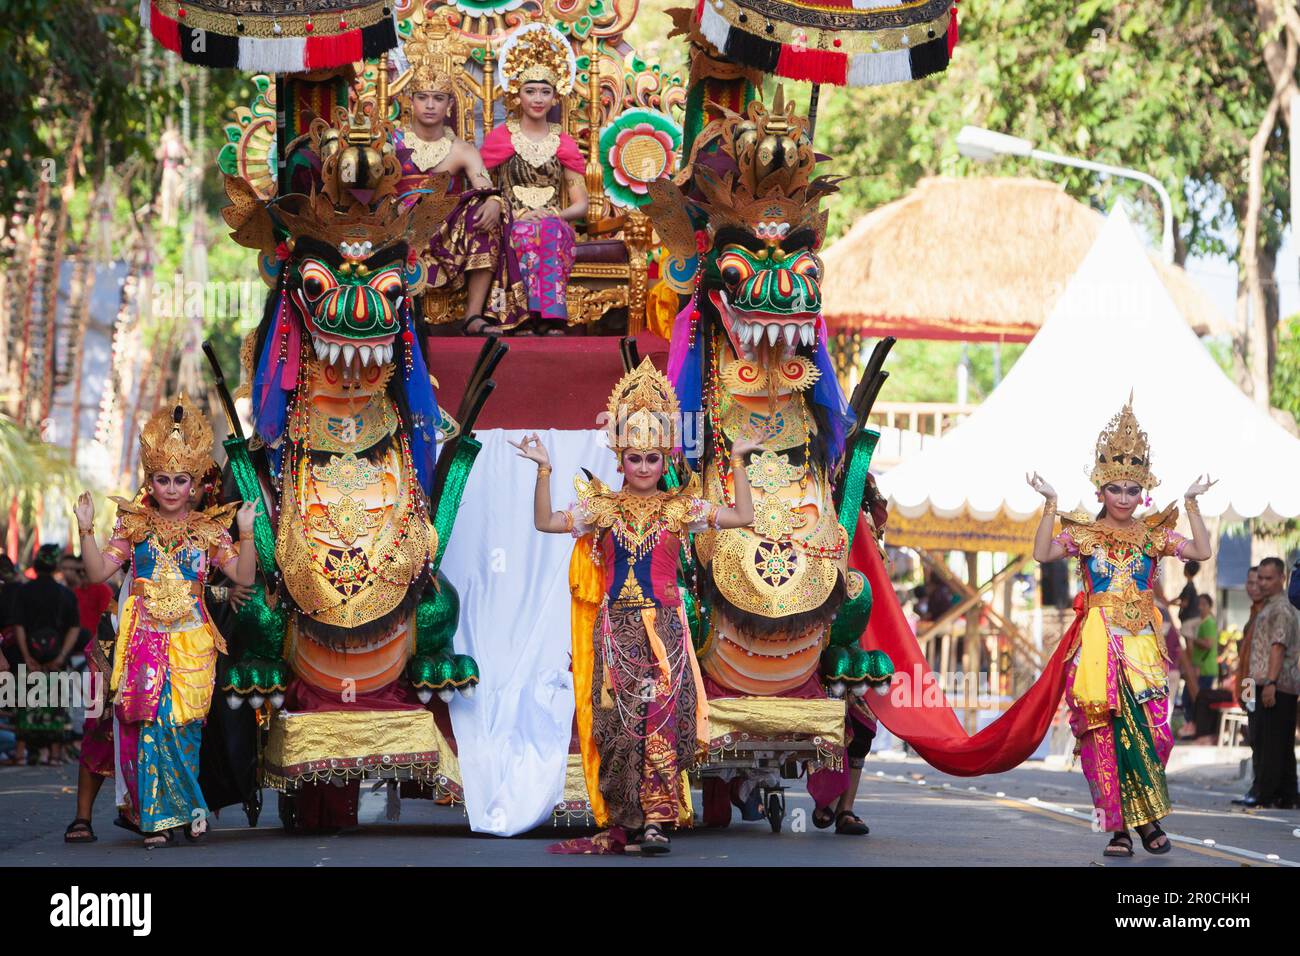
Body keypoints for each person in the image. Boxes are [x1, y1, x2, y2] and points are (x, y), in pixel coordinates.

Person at [515, 358, 758, 854]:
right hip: (616, 633)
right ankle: (625, 817)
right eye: (634, 458)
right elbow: (545, 523)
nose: (644, 467)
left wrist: (736, 462)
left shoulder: (680, 508)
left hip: (665, 630)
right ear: (620, 458)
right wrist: (544, 470)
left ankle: (655, 821)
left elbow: (742, 515)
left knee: (660, 721)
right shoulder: (602, 507)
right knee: (621, 727)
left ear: (664, 458)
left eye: (652, 458)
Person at [1027, 396, 1215, 858]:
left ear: (1144, 492)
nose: (1125, 499)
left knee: (1156, 734)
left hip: (1145, 651)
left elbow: (1201, 551)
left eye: (1134, 490)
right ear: (1100, 491)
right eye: (1116, 490)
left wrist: (1191, 503)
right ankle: (1121, 830)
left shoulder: (1153, 534)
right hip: (1099, 647)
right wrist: (1051, 503)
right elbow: (1043, 553)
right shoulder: (1086, 535)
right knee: (1103, 739)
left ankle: (1146, 815)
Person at [75, 395, 257, 848]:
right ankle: (160, 820)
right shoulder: (134, 526)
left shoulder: (210, 530)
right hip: (145, 639)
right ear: (150, 482)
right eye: (162, 480)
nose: (171, 489)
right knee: (149, 725)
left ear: (194, 483)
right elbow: (98, 573)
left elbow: (245, 576)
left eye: (180, 480)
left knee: (185, 727)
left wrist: (248, 532)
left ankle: (191, 808)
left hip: (193, 641)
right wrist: (86, 530)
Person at [396, 21, 526, 335]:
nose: (429, 105)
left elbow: (484, 186)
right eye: (423, 97)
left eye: (438, 98)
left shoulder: (463, 150)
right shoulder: (392, 143)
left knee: (487, 210)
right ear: (410, 102)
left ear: (449, 105)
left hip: (445, 228)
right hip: (399, 223)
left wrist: (494, 202)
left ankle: (473, 316)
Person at [482, 23, 588, 335]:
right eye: (531, 91)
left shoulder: (564, 143)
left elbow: (581, 204)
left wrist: (556, 213)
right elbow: (481, 189)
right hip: (511, 219)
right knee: (526, 230)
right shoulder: (499, 138)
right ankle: (526, 316)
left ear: (555, 98)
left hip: (556, 222)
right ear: (518, 95)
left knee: (550, 228)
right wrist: (512, 213)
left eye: (545, 91)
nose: (538, 99)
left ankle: (550, 317)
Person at [59, 552, 118, 843]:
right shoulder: (107, 595)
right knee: (97, 727)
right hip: (107, 649)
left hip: (182, 641)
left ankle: (182, 813)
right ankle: (82, 816)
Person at [9, 544, 80, 766]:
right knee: (56, 705)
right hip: (56, 658)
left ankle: (21, 753)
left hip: (29, 658)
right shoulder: (66, 594)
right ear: (56, 565)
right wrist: (62, 655)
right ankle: (54, 753)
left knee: (26, 703)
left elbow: (18, 625)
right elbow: (74, 627)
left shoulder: (24, 591)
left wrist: (26, 656)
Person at [1247, 557, 1299, 809]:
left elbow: (1278, 646)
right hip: (1262, 683)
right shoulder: (1265, 607)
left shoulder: (1281, 608)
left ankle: (1265, 793)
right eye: (1260, 578)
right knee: (1276, 741)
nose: (1263, 583)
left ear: (1282, 578)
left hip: (1275, 685)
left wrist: (1270, 682)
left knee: (1271, 742)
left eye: (1269, 578)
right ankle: (1286, 794)